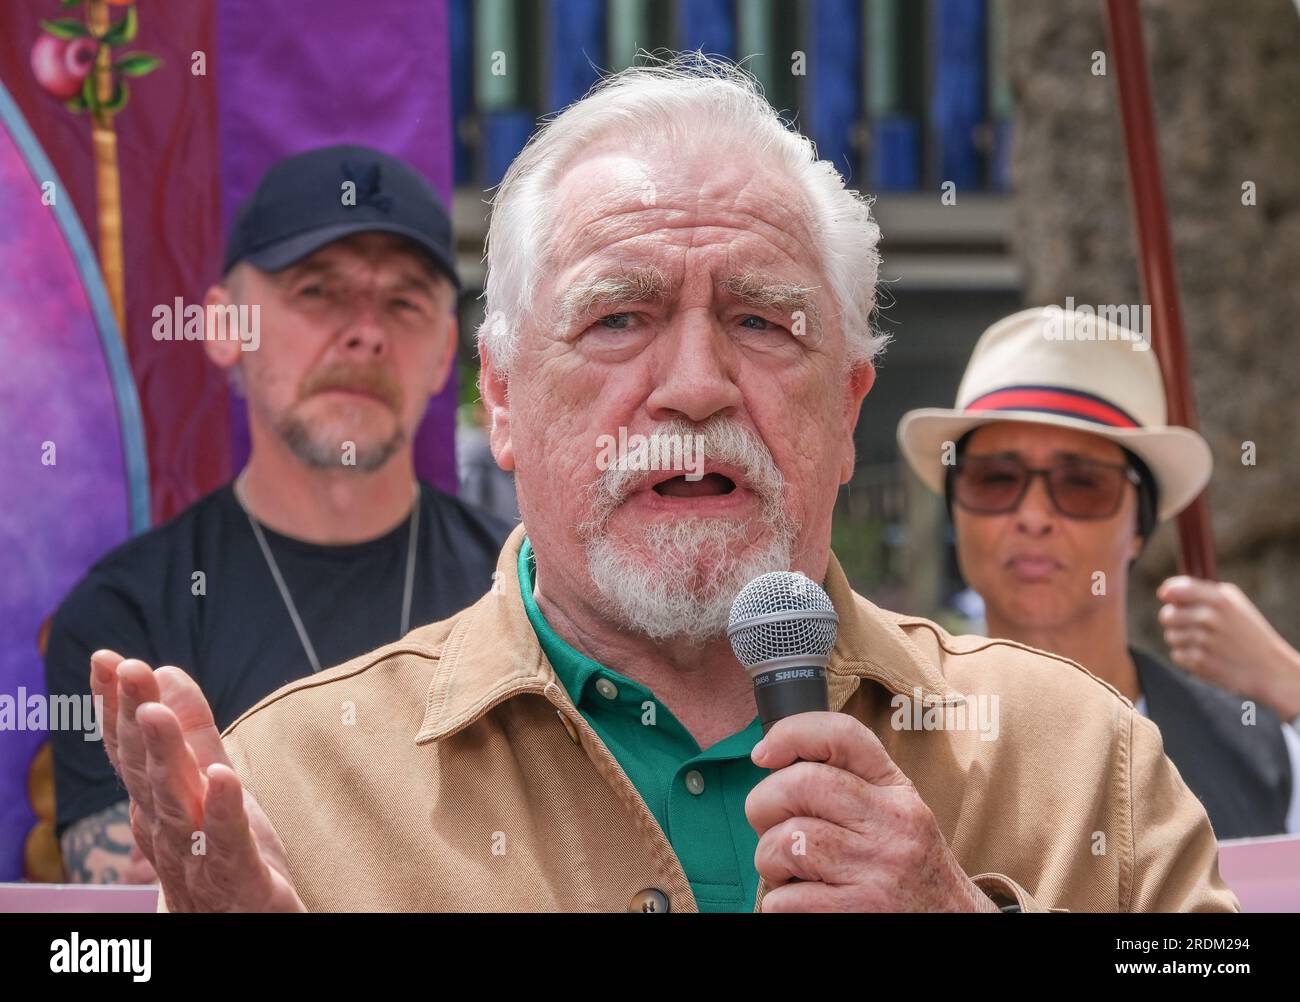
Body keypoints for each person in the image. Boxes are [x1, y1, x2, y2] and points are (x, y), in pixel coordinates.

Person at [92, 57, 1235, 912]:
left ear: (846, 408)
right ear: (505, 396)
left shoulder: (1088, 766)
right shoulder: (291, 786)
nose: (695, 385)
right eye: (619, 318)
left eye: (760, 320)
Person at [45, 144, 511, 884]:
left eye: (404, 301)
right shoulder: (129, 619)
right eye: (317, 291)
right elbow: (136, 900)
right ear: (226, 328)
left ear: (443, 354)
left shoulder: (525, 585)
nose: (366, 331)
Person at [898, 306, 1297, 838]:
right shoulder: (888, 740)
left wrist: (1288, 681)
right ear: (956, 511)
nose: (1034, 517)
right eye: (995, 479)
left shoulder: (1266, 756)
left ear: (1139, 526)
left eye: (1082, 483)